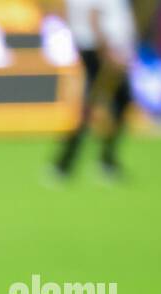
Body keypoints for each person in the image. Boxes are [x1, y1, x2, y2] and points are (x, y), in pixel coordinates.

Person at [54, 0, 139, 179]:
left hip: (102, 51)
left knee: (106, 104)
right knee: (103, 104)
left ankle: (76, 161)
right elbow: (94, 16)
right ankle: (71, 162)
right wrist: (107, 51)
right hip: (102, 52)